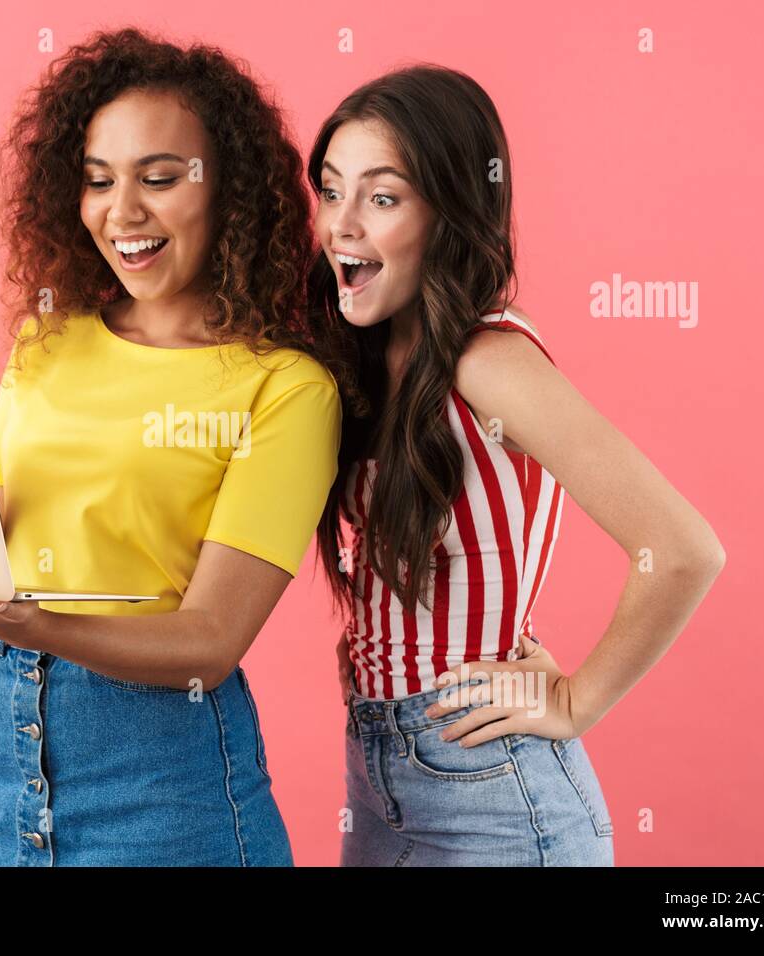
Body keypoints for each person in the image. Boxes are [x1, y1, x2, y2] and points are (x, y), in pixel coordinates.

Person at [0, 28, 343, 866]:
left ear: (232, 190)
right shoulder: (49, 341)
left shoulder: (286, 387)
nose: (123, 213)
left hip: (166, 784)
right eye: (98, 181)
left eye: (158, 179)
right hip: (1, 763)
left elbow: (209, 641)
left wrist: (30, 620)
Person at [307, 65, 726, 865]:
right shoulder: (375, 357)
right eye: (332, 191)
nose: (341, 225)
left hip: (490, 788)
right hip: (378, 771)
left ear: (450, 212)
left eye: (383, 197)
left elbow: (682, 548)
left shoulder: (487, 359)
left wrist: (574, 700)